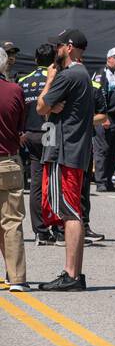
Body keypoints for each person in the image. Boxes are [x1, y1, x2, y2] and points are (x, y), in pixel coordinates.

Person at [36, 28, 97, 291]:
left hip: (65, 151)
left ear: (69, 47)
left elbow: (40, 107)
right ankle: (74, 274)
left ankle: (71, 275)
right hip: (73, 150)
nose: (55, 50)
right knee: (72, 211)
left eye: (59, 45)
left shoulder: (68, 75)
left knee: (70, 213)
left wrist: (50, 80)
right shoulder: (82, 74)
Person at [17, 43, 56, 244]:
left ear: (35, 61)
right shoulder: (56, 77)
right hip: (51, 133)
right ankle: (57, 227)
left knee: (35, 183)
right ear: (53, 60)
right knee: (55, 180)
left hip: (30, 134)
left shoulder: (23, 81)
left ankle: (40, 231)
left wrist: (20, 131)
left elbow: (18, 108)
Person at [0, 45, 28, 290]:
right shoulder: (15, 90)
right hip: (8, 160)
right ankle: (16, 277)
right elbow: (20, 129)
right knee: (12, 221)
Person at [91, 46, 115, 192]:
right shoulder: (101, 74)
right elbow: (97, 96)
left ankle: (109, 180)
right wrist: (103, 117)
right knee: (102, 149)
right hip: (104, 117)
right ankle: (100, 181)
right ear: (109, 59)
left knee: (114, 151)